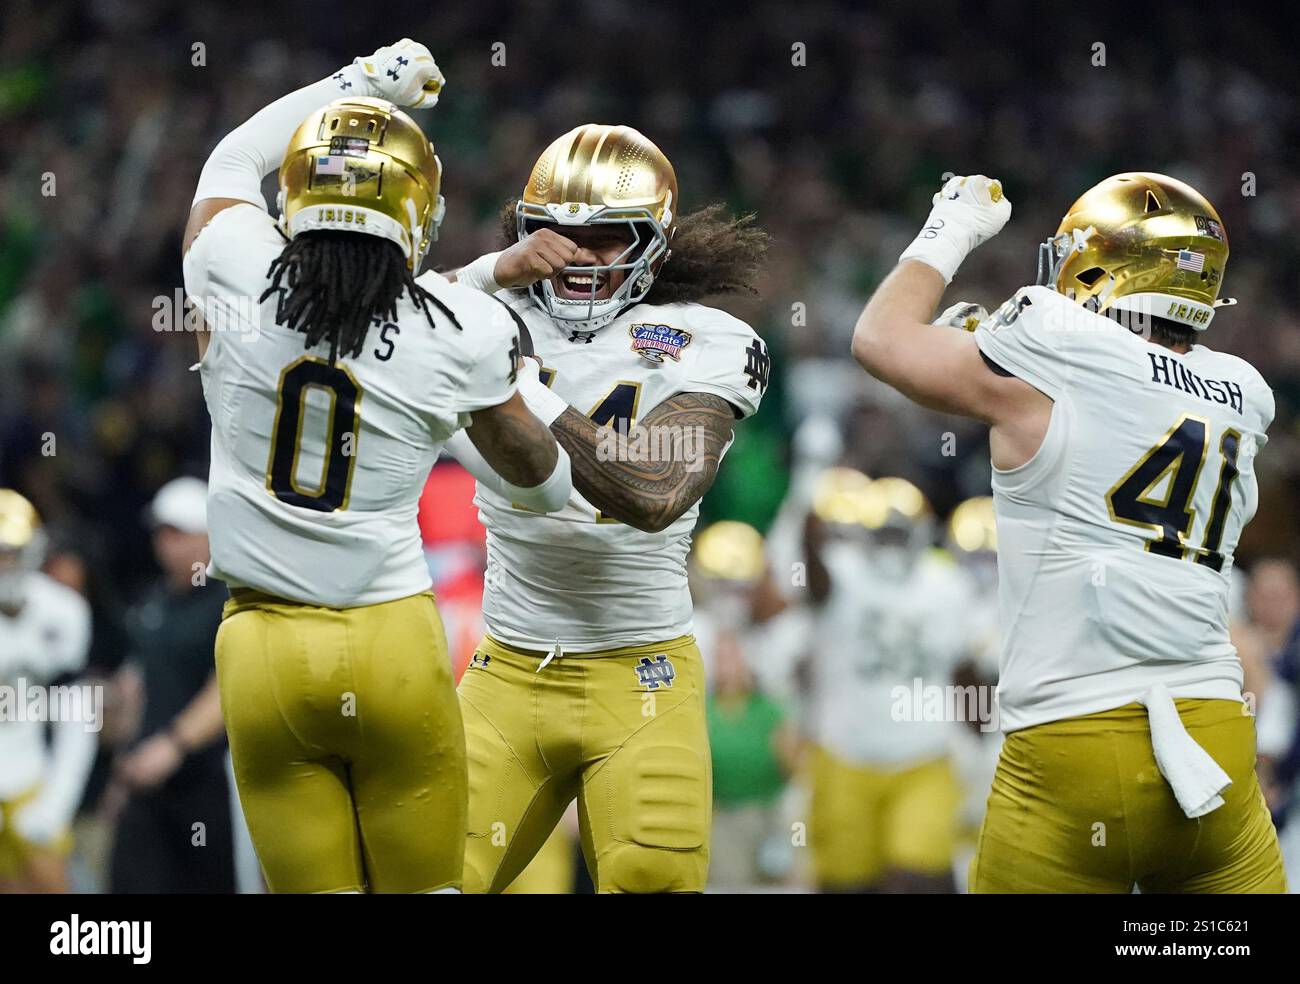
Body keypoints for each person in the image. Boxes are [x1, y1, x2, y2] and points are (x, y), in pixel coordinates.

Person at [181, 39, 571, 894]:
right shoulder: (465, 330)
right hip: (391, 640)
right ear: (418, 213)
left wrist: (357, 82)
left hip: (261, 648)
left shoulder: (231, 266)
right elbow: (542, 485)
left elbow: (229, 162)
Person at [851, 171, 1284, 892]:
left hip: (1074, 740)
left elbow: (880, 339)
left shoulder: (1055, 342)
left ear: (1104, 267)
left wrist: (950, 226)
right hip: (1214, 740)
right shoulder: (1246, 392)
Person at [446, 123, 771, 893]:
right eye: (560, 233)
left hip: (643, 675)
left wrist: (520, 390)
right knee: (422, 877)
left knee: (652, 883)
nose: (577, 255)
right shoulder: (488, 310)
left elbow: (654, 493)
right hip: (505, 672)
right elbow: (367, 326)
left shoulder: (708, 338)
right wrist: (490, 274)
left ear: (653, 243)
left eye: (605, 237)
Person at [802, 473, 971, 892]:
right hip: (845, 752)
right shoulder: (842, 571)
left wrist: (981, 736)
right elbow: (817, 584)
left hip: (923, 753)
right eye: (883, 535)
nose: (891, 546)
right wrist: (809, 526)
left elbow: (963, 667)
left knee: (918, 875)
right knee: (845, 883)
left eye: (899, 535)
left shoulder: (948, 584)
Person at [107, 477, 232, 893]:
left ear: (208, 535)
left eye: (178, 533)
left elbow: (228, 686)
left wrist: (173, 745)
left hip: (208, 781)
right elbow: (136, 685)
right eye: (162, 533)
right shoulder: (151, 602)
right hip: (146, 785)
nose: (166, 544)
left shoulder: (230, 601)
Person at [0, 489, 95, 893]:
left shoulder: (63, 611)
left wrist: (57, 801)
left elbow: (76, 716)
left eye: (10, 552)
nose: (4, 565)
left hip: (29, 779)